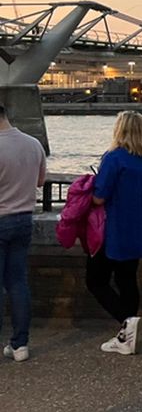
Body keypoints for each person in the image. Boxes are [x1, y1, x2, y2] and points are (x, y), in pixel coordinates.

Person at [89, 111, 142, 355]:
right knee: (127, 280)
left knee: (96, 280)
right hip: (139, 230)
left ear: (120, 130)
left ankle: (128, 323)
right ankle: (127, 336)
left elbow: (99, 197)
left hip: (114, 232)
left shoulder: (113, 158)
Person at [0, 103, 46, 362]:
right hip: (23, 220)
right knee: (18, 282)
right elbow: (40, 181)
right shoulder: (33, 144)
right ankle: (20, 345)